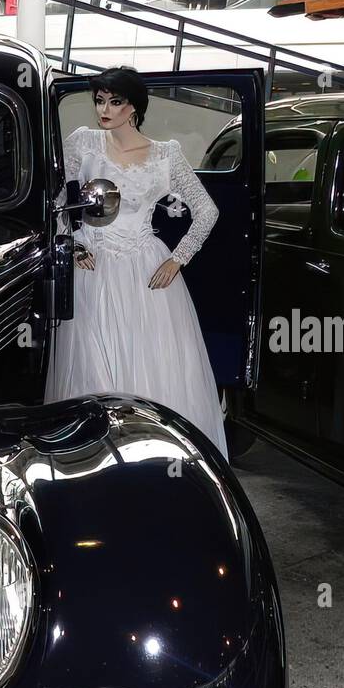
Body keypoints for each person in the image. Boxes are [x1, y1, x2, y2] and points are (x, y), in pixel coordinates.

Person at [47, 66, 228, 458]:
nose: (104, 109)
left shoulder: (166, 155)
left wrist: (178, 259)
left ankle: (155, 458)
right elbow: (57, 201)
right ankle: (89, 458)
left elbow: (207, 210)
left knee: (153, 364)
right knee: (93, 365)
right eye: (99, 100)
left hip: (146, 272)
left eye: (115, 101)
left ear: (133, 107)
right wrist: (74, 243)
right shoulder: (83, 143)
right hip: (92, 269)